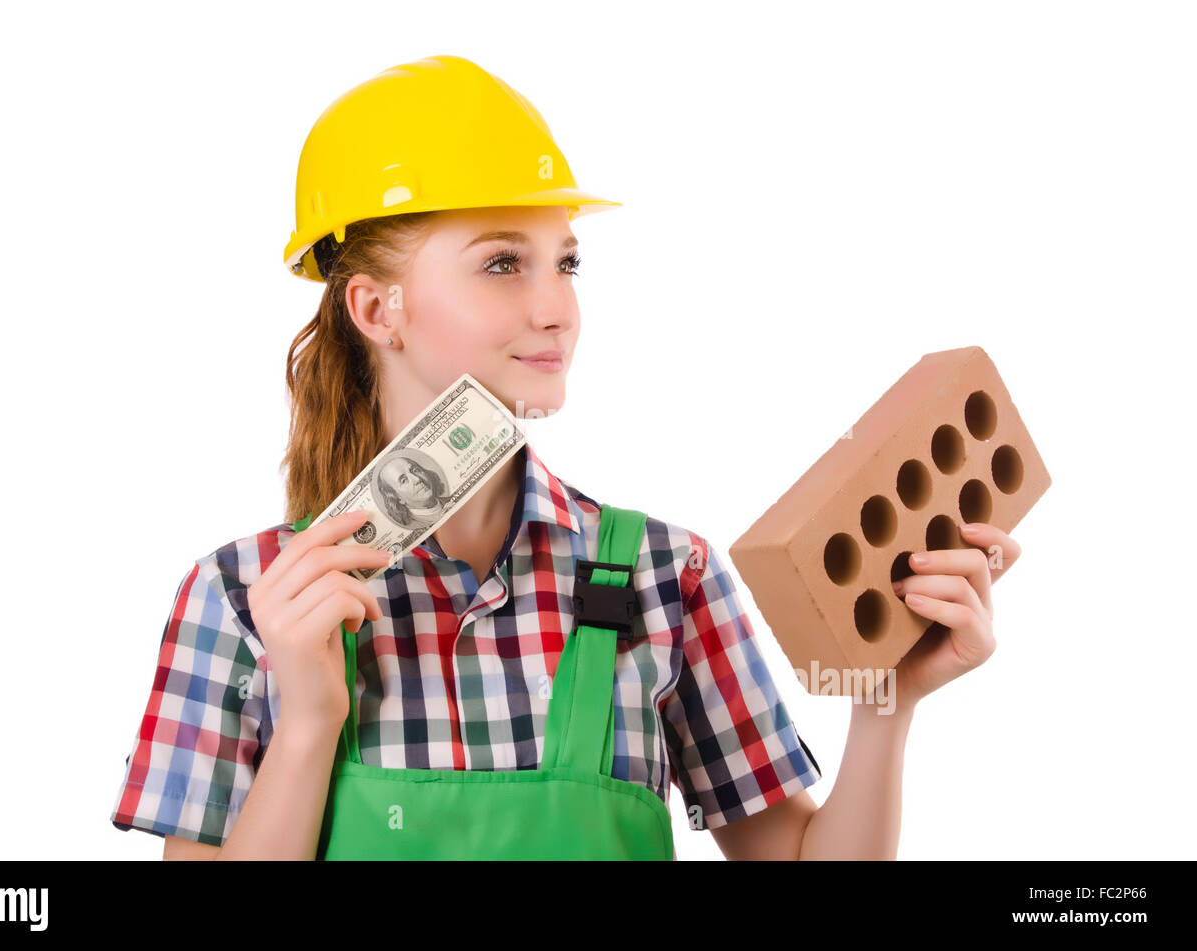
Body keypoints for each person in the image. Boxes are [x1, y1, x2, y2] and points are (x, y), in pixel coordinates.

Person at [109, 55, 1021, 861]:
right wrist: (308, 719)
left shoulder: (669, 575)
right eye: (504, 263)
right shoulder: (242, 600)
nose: (558, 309)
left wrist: (886, 698)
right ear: (375, 309)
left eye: (568, 263)